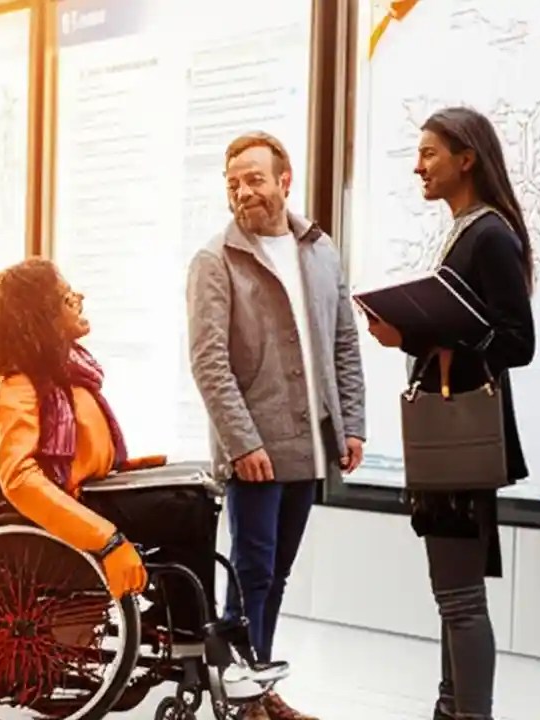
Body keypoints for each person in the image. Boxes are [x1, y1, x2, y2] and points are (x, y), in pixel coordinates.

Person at [0, 258, 276, 701]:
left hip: (92, 494)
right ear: (39, 316)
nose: (80, 299)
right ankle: (192, 638)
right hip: (68, 515)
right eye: (66, 296)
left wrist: (135, 472)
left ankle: (187, 627)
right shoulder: (12, 388)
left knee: (195, 490)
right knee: (184, 508)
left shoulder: (65, 376)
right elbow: (20, 481)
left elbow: (79, 457)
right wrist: (106, 540)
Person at [187, 131, 366, 720]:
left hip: (310, 443)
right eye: (233, 181)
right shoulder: (216, 260)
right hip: (255, 448)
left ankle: (257, 688)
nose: (243, 191)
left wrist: (354, 424)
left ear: (284, 180)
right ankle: (243, 698)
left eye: (254, 178)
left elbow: (344, 342)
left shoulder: (320, 251)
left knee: (277, 573)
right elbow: (208, 361)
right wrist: (242, 443)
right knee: (252, 572)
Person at [366, 107, 536, 720]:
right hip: (454, 441)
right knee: (453, 599)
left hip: (463, 442)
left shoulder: (490, 234)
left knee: (460, 601)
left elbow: (518, 341)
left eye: (430, 153)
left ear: (467, 158)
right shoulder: (468, 229)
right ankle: (450, 708)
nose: (419, 166)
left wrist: (417, 337)